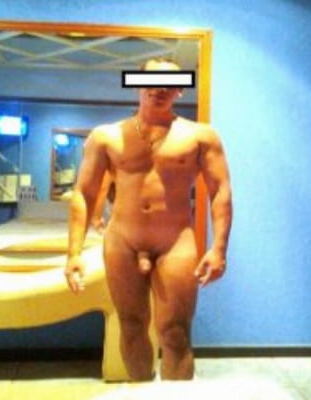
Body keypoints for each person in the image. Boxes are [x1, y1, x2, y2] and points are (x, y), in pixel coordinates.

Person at [64, 58, 232, 381]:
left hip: (175, 242)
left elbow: (220, 191)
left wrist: (219, 249)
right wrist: (73, 252)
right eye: (152, 79)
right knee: (131, 326)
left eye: (171, 82)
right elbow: (84, 194)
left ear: (181, 90)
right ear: (137, 83)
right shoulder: (105, 136)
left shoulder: (201, 136)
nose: (160, 87)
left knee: (176, 332)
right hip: (122, 242)